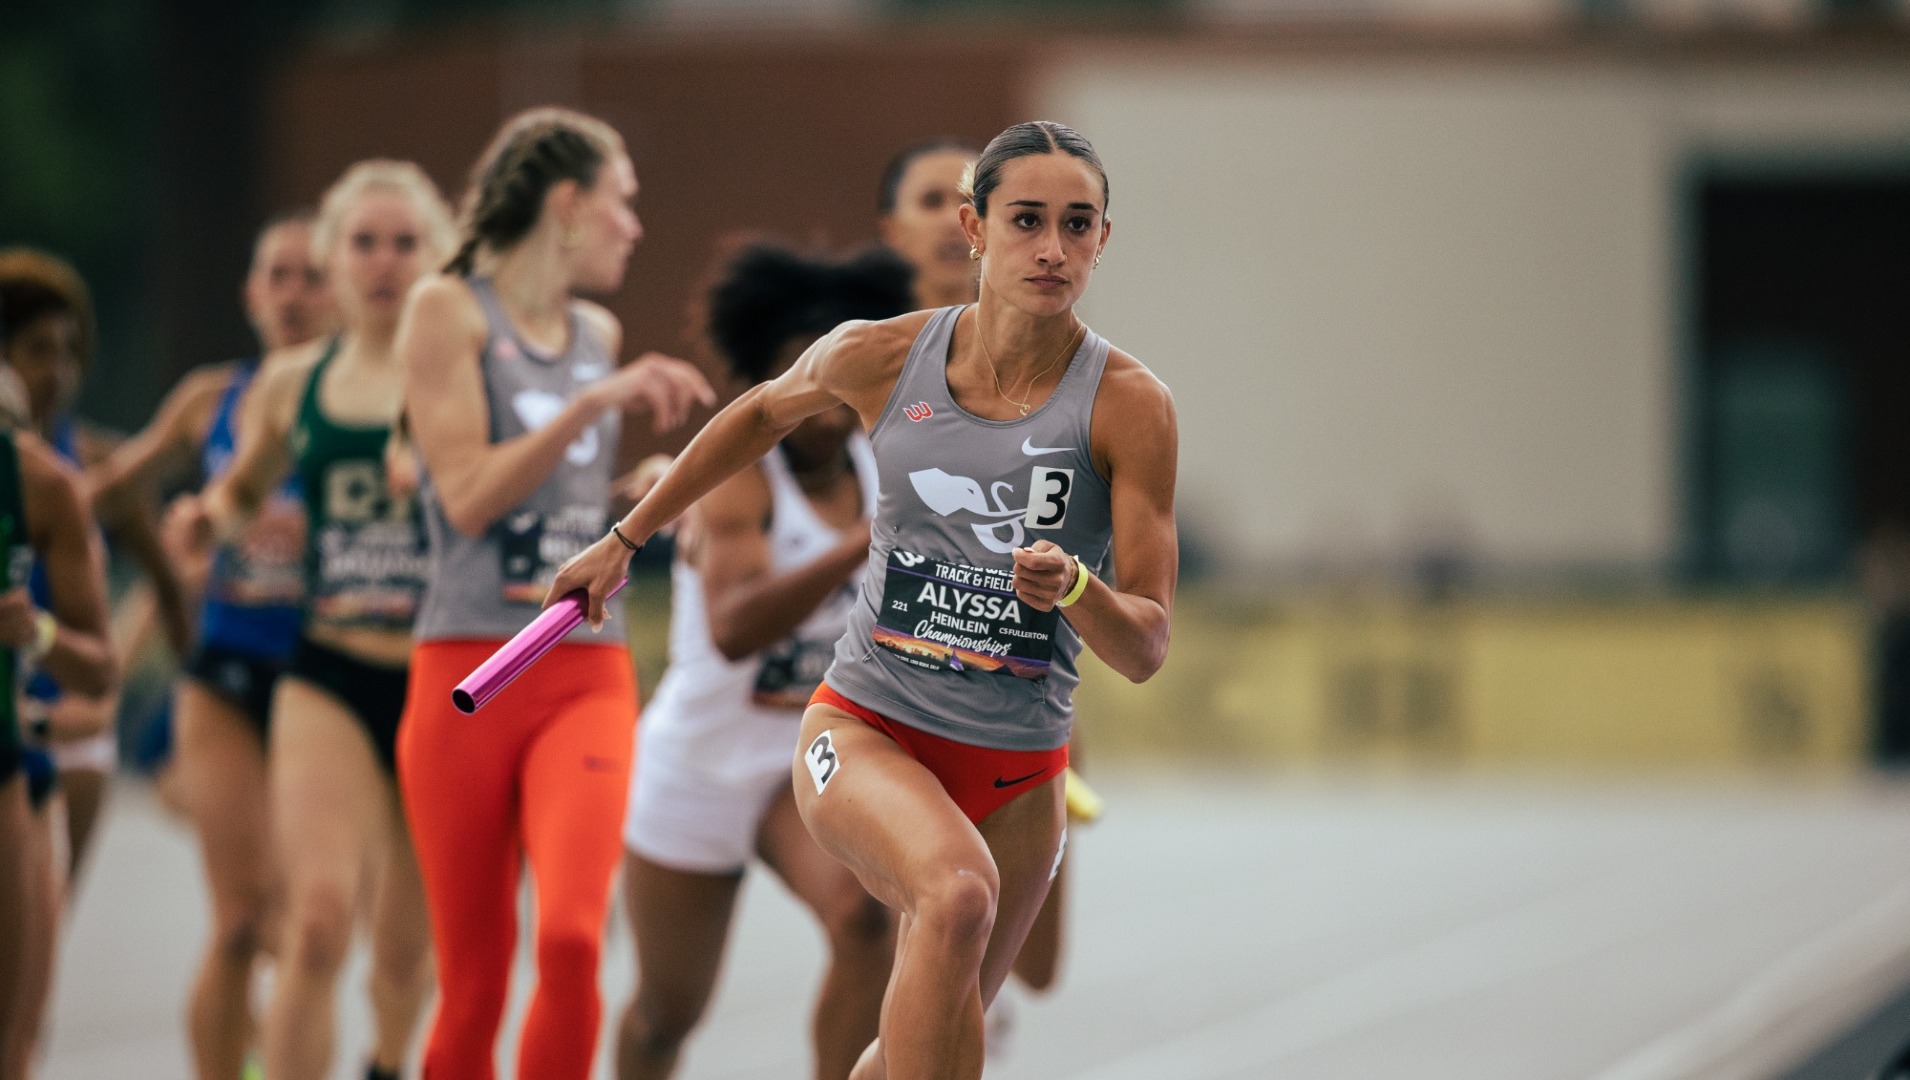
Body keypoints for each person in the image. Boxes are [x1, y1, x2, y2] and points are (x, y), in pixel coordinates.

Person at [552, 120, 1178, 1078]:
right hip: (866, 728)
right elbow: (757, 414)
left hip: (1020, 771)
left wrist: (1076, 586)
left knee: (918, 1046)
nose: (1052, 249)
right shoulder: (881, 357)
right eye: (1025, 221)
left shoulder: (1130, 405)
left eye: (1077, 224)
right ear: (976, 229)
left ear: (1104, 238)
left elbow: (1143, 647)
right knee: (956, 896)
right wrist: (623, 538)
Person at [396, 106, 713, 1080]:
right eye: (623, 201)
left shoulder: (594, 330)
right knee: (475, 983)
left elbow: (568, 504)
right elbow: (469, 495)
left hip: (579, 668)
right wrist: (591, 404)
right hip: (467, 667)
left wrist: (650, 491)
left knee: (575, 940)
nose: (635, 226)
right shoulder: (447, 312)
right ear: (567, 204)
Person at [615, 242, 913, 1080]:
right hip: (700, 759)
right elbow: (735, 630)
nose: (820, 401)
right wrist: (864, 542)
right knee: (668, 1012)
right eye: (798, 375)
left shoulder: (882, 460)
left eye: (832, 374)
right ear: (771, 379)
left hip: (808, 753)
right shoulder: (736, 476)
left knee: (865, 919)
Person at [191, 160, 453, 1080]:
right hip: (327, 669)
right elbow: (245, 484)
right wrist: (209, 519)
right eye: (364, 243)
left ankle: (387, 1061)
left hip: (434, 679)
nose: (383, 262)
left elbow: (537, 485)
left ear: (438, 256)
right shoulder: (293, 381)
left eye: (404, 243)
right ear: (335, 259)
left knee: (405, 951)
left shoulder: (465, 375)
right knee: (314, 920)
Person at [88, 211, 328, 1079]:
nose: (295, 294)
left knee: (307, 924)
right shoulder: (210, 399)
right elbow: (110, 493)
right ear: (252, 294)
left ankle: (278, 1053)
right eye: (279, 276)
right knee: (238, 923)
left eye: (311, 275)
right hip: (222, 673)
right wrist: (154, 585)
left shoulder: (362, 400)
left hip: (325, 683)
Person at [878, 137, 1104, 1011]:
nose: (948, 217)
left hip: (1012, 704)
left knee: (1019, 972)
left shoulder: (1074, 372)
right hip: (878, 703)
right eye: (931, 199)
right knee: (912, 930)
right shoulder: (866, 356)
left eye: (1068, 223)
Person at [0, 248, 191, 891]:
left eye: (69, 351)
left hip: (67, 726)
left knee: (35, 936)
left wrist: (186, 713)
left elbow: (169, 585)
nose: (57, 371)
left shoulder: (97, 467)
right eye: (36, 351)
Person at [0, 352, 116, 1080]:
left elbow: (101, 672)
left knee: (14, 1036)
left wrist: (35, 633)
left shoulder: (42, 483)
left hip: (13, 763)